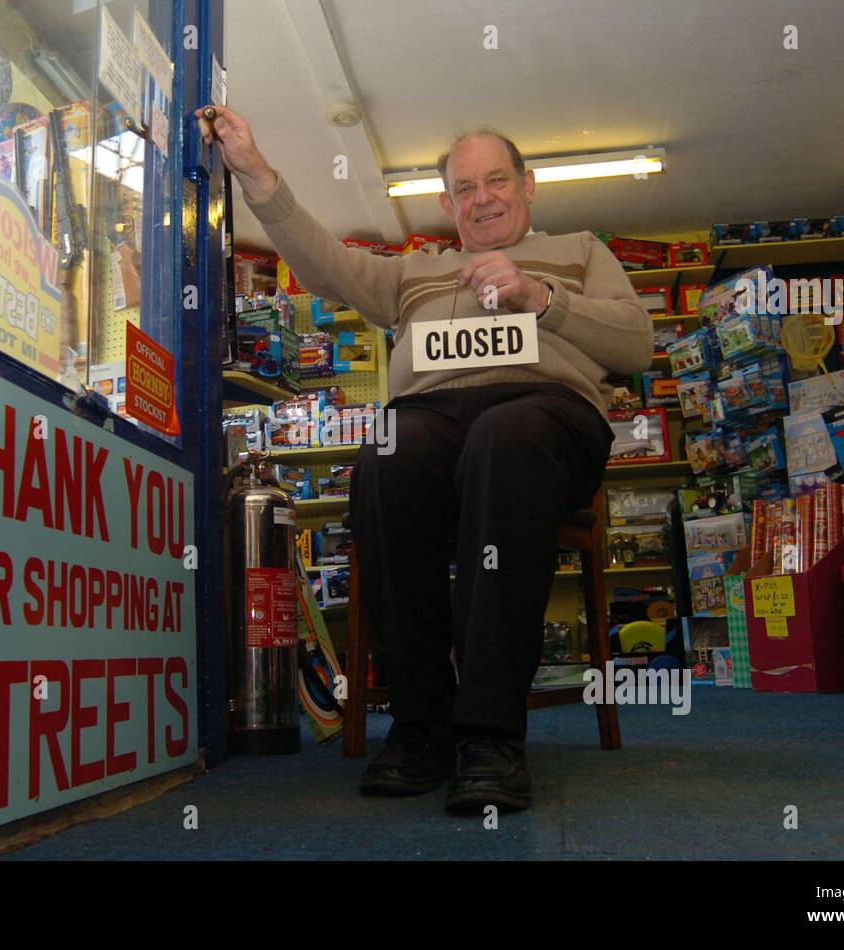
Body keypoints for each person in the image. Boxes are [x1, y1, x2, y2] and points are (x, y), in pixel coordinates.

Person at [198, 106, 653, 812]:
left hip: (545, 419)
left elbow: (634, 345)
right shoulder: (414, 272)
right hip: (432, 422)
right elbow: (324, 261)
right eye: (465, 188)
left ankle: (492, 735)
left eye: (497, 180)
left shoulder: (581, 250)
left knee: (507, 438)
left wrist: (541, 297)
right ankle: (423, 723)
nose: (484, 197)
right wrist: (256, 175)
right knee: (386, 455)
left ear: (528, 185)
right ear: (447, 204)